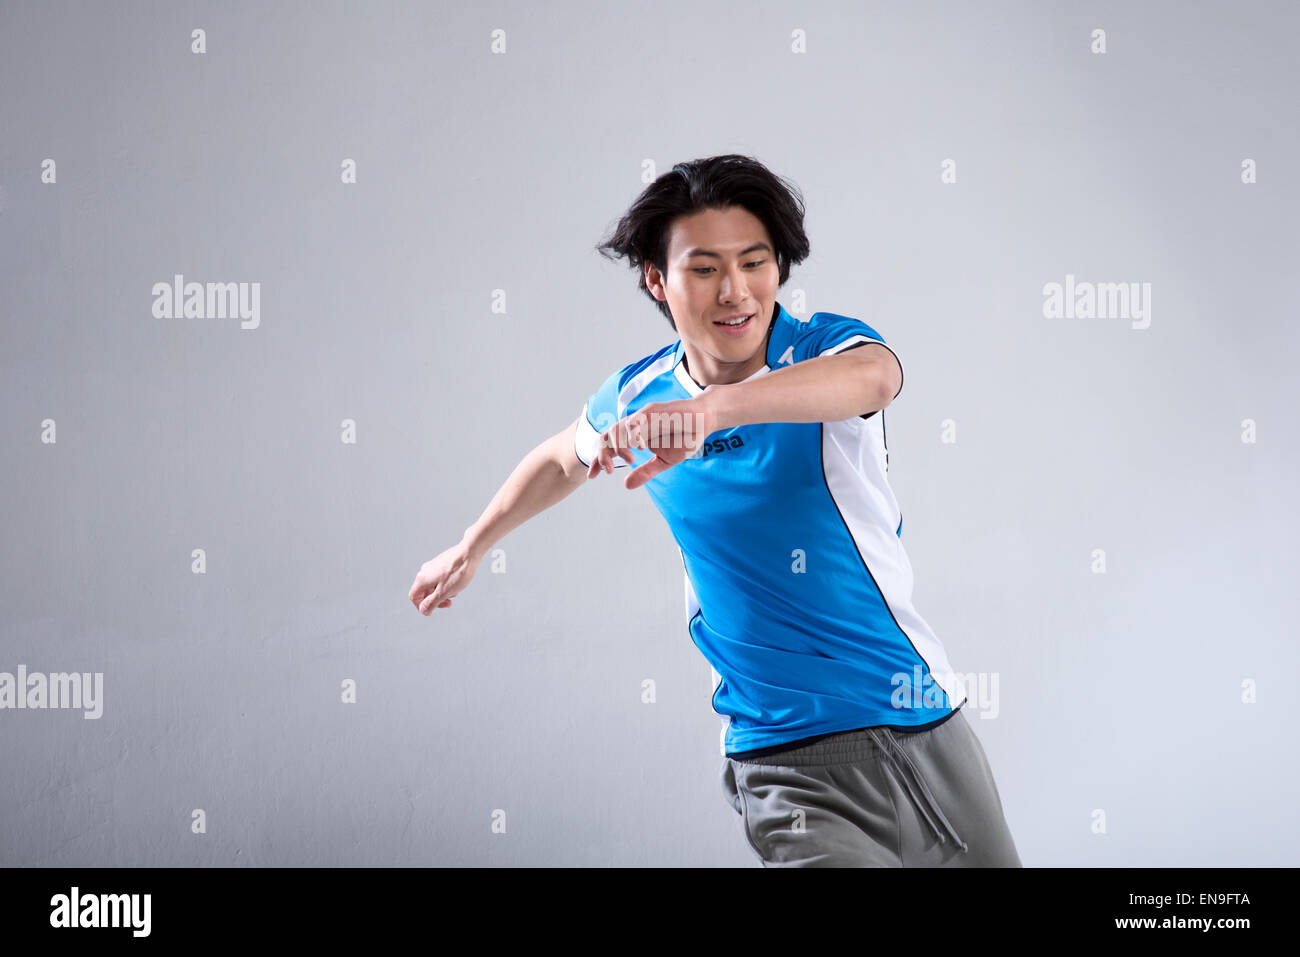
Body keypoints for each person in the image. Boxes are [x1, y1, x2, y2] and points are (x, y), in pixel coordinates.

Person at [409, 154, 1021, 867]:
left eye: (754, 262)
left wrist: (711, 411)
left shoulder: (823, 348)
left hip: (925, 725)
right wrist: (473, 544)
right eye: (703, 268)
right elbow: (560, 458)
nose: (735, 291)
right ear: (656, 278)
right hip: (784, 759)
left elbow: (876, 377)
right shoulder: (636, 397)